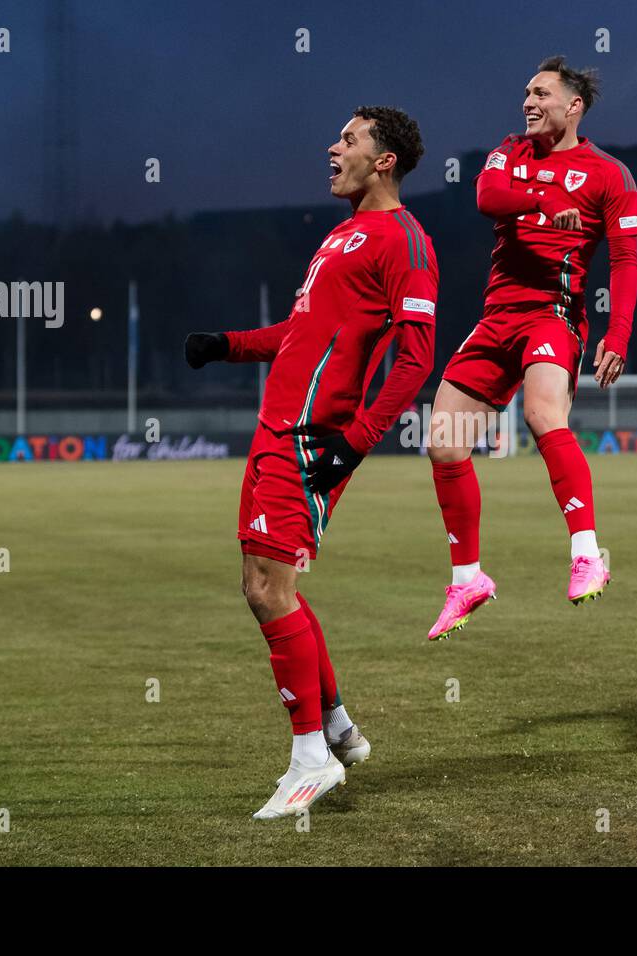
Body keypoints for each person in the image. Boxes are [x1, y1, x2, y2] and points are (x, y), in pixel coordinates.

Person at [184, 106, 437, 818]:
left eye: (349, 139)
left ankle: (309, 760)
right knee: (262, 583)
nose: (333, 147)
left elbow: (416, 356)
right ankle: (335, 727)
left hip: (309, 437)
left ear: (384, 160)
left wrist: (357, 438)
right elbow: (302, 333)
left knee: (270, 591)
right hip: (276, 427)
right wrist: (229, 345)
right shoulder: (343, 233)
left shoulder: (405, 242)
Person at [425, 55, 637, 640]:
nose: (528, 101)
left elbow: (624, 261)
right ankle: (468, 578)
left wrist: (616, 335)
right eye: (525, 91)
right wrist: (543, 204)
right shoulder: (509, 152)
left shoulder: (608, 174)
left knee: (543, 413)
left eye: (541, 93)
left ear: (574, 105)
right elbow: (488, 197)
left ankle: (588, 552)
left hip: (553, 311)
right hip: (497, 316)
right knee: (443, 443)